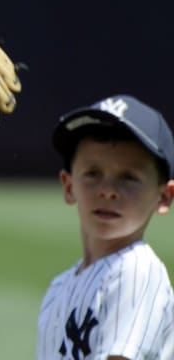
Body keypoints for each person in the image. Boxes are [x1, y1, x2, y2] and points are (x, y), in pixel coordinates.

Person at [36, 94, 174, 360]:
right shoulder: (59, 287)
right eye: (93, 174)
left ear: (164, 197)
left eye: (129, 178)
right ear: (68, 186)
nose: (108, 190)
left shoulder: (136, 271)